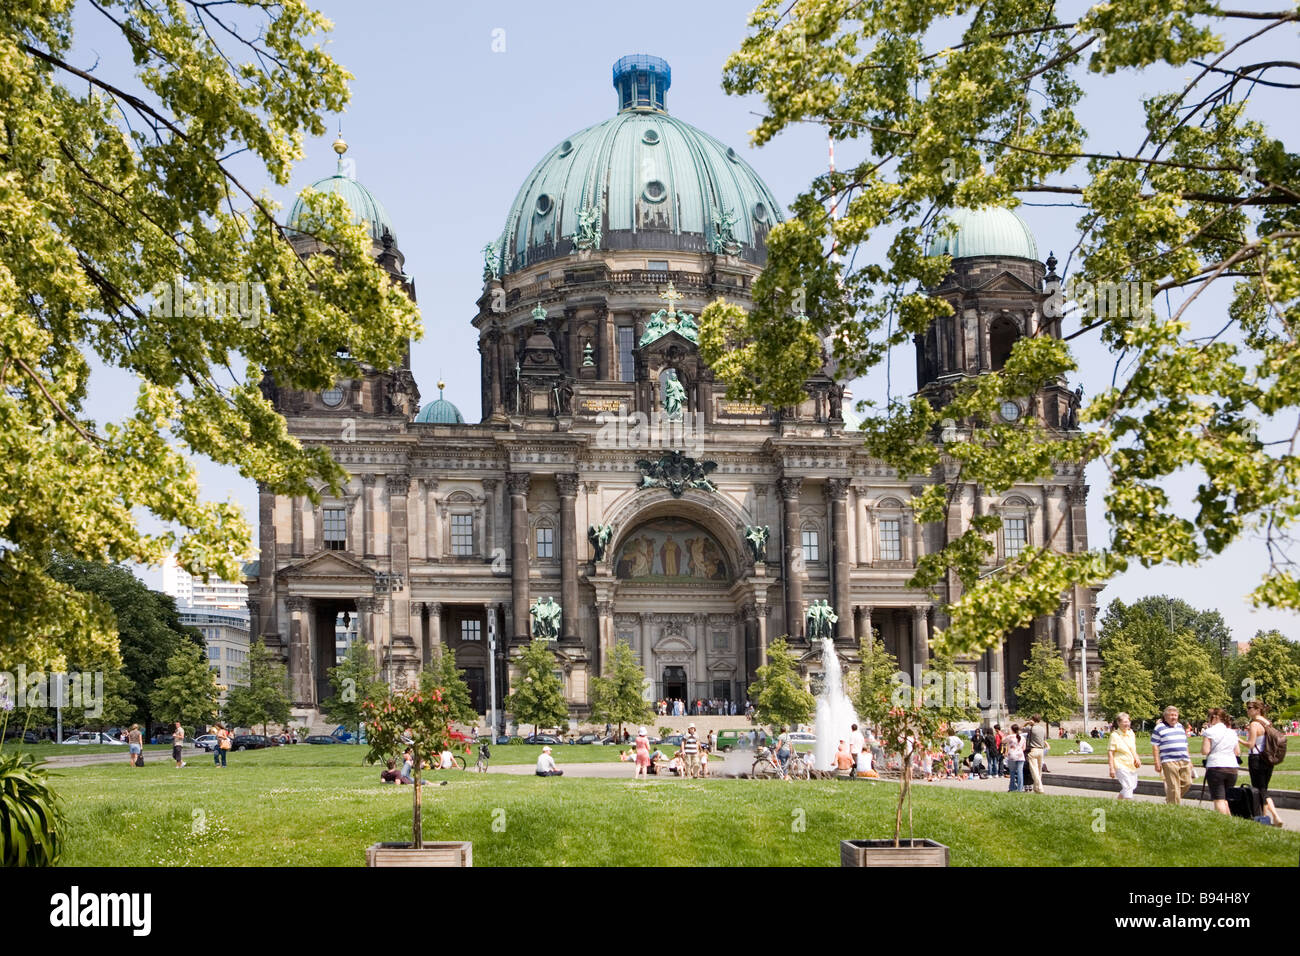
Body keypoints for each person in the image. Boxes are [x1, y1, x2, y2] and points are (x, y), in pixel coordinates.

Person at [1245, 701, 1285, 826]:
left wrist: (1237, 739)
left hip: (1256, 758)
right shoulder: (1267, 723)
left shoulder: (1254, 724)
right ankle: (1264, 817)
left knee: (1260, 790)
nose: (1248, 710)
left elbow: (1251, 744)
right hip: (1268, 758)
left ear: (1257, 710)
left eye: (1250, 708)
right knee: (1264, 788)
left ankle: (1275, 816)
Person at [1200, 707, 1240, 815]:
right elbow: (1237, 752)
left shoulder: (1209, 732)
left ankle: (1224, 822)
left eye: (1210, 717)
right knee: (1227, 798)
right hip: (1232, 767)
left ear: (1215, 717)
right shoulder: (1232, 733)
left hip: (1216, 766)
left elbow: (1205, 751)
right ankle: (1230, 819)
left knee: (1219, 798)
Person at [1150, 705, 1192, 805]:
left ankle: (1170, 801)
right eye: (1171, 715)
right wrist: (1157, 762)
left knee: (1187, 782)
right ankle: (1174, 809)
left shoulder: (1180, 726)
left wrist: (1189, 760)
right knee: (1173, 786)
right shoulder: (1159, 728)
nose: (1174, 717)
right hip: (1169, 760)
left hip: (1184, 759)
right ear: (1165, 717)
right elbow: (1155, 746)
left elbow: (1185, 744)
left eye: (1175, 715)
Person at [1107, 712, 1141, 800]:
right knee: (1128, 786)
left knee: (1132, 786)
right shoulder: (1114, 735)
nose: (1127, 724)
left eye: (1128, 721)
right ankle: (1129, 805)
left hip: (1131, 764)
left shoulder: (1131, 733)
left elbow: (1133, 748)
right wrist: (1111, 768)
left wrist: (1137, 758)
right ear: (1118, 723)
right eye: (1124, 722)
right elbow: (1110, 752)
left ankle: (1118, 803)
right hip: (1120, 764)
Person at [1024, 715, 1047, 793]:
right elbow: (1044, 739)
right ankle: (1036, 788)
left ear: (1033, 720)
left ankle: (1040, 787)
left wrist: (1026, 723)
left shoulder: (1031, 728)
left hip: (1033, 750)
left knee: (1034, 770)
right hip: (1041, 750)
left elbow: (1020, 729)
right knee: (1039, 770)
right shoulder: (1043, 729)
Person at [1005, 723, 1026, 792]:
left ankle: (1012, 787)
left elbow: (1003, 741)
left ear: (1012, 729)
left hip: (1012, 755)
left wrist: (1007, 733)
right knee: (1020, 772)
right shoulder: (1022, 737)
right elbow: (1024, 748)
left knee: (1012, 772)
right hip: (1020, 756)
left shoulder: (1010, 737)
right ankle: (1020, 788)